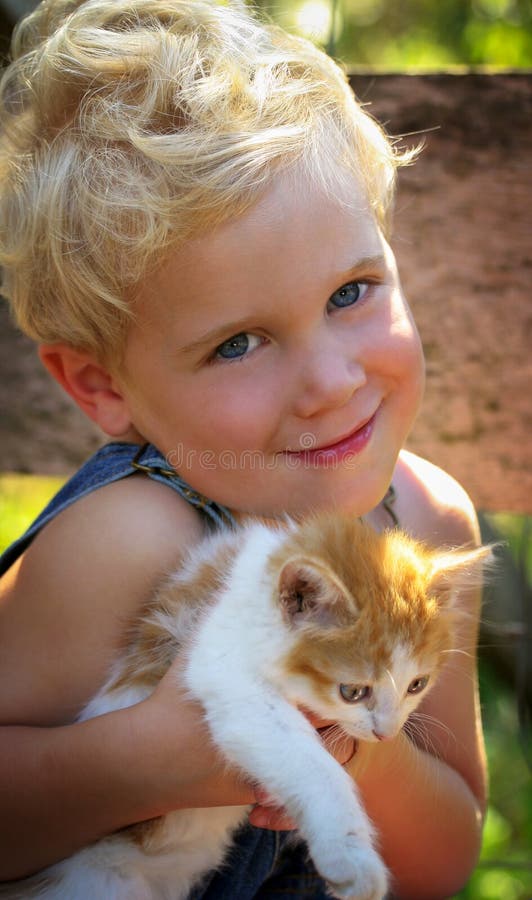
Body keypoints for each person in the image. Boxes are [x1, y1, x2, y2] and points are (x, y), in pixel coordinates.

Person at [0, 1, 487, 897]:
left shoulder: (424, 528)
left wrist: (354, 730)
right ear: (103, 388)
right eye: (237, 343)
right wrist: (152, 757)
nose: (332, 382)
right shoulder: (130, 543)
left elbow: (445, 861)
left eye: (352, 290)